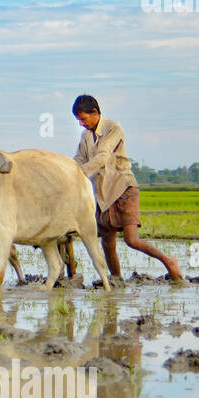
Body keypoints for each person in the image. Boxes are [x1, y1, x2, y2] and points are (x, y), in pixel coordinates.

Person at [71, 94, 183, 283]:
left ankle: (169, 261)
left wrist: (79, 174)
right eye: (78, 120)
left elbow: (102, 157)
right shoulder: (85, 136)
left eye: (83, 119)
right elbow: (79, 159)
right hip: (103, 193)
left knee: (132, 240)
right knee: (107, 241)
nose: (81, 124)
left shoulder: (113, 128)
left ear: (95, 113)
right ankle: (116, 278)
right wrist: (66, 173)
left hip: (123, 188)